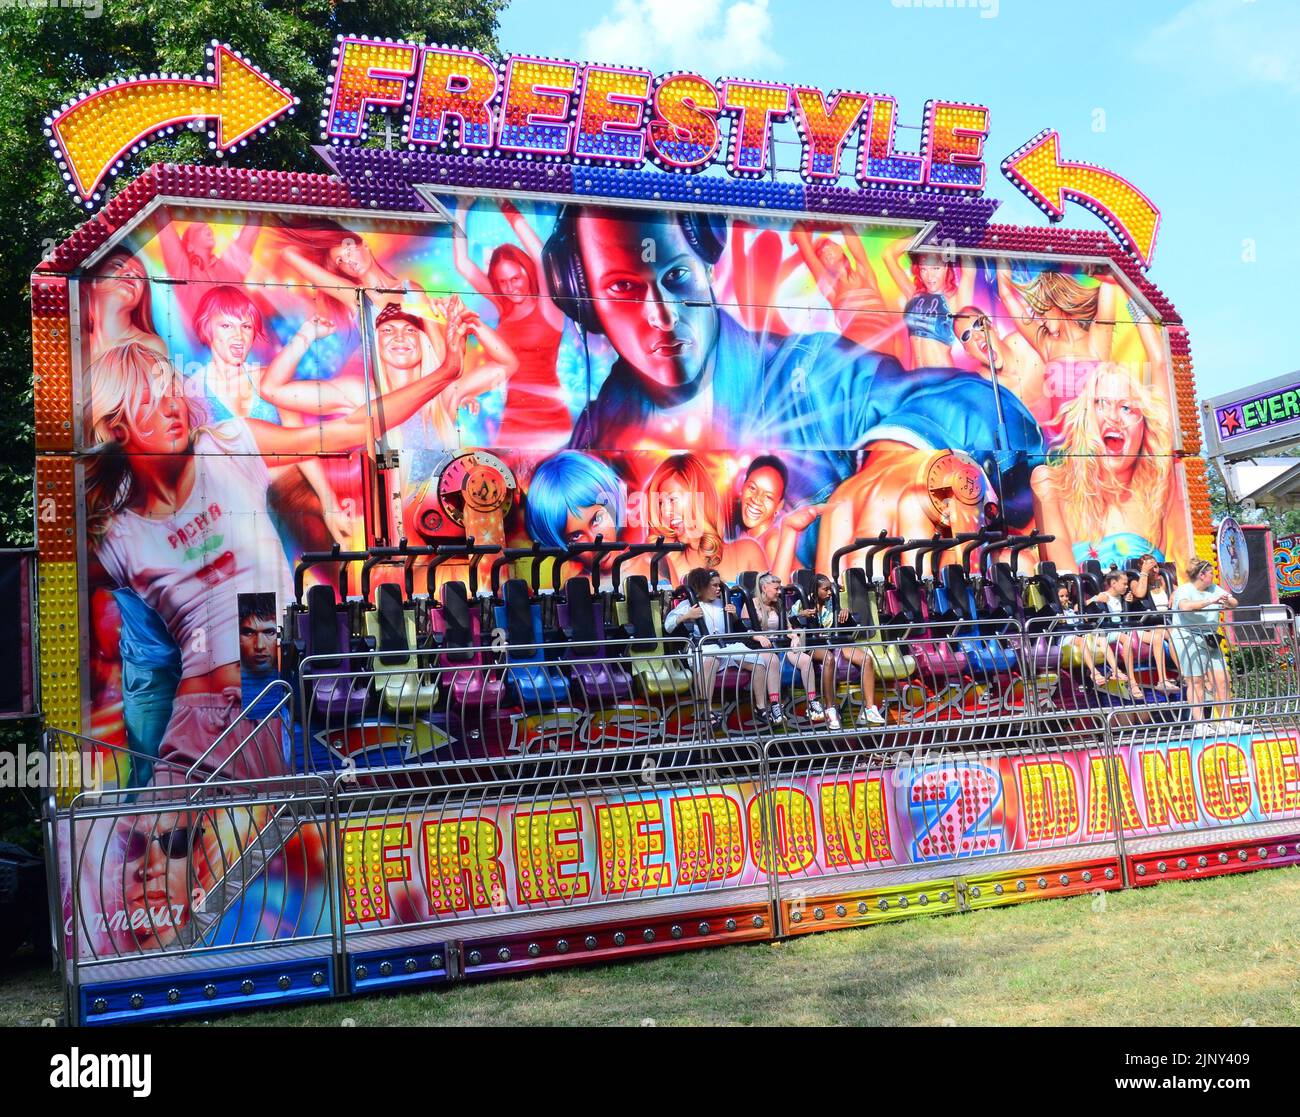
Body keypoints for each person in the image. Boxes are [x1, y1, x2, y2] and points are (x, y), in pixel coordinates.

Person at [83, 318, 470, 787]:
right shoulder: (113, 525)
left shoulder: (228, 443)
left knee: (259, 797)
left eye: (172, 392)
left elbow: (351, 428)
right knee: (161, 804)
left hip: (254, 653)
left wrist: (446, 372)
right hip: (170, 681)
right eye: (148, 399)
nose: (171, 407)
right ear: (117, 425)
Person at [544, 205, 1045, 562]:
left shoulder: (810, 374)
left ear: (704, 262)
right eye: (623, 290)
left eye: (675, 277)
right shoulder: (591, 444)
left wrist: (904, 451)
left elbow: (998, 418)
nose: (663, 315)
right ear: (585, 303)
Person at [1031, 359, 1180, 572]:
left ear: (1145, 425)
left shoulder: (1157, 491)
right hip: (1093, 604)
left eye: (1126, 407)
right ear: (1085, 418)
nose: (1113, 417)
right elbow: (1067, 582)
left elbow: (1160, 364)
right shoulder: (1050, 484)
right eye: (1100, 403)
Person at [454, 197, 571, 447]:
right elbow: (463, 265)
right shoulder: (504, 307)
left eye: (516, 278)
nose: (511, 287)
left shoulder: (548, 306)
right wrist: (461, 210)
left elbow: (542, 256)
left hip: (550, 421)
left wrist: (506, 206)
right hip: (513, 419)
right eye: (503, 282)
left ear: (527, 271)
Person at [663, 567, 782, 729]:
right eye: (714, 585)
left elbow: (739, 627)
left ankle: (760, 707)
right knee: (710, 661)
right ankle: (707, 710)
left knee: (758, 662)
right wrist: (686, 616)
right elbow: (668, 626)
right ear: (702, 587)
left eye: (719, 585)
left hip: (726, 646)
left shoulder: (723, 603)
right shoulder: (688, 605)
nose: (718, 589)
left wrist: (734, 615)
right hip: (703, 648)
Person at [524, 450, 646, 585]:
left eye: (596, 520)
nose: (595, 542)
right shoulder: (577, 588)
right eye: (576, 536)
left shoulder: (651, 564)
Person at [645, 454, 766, 584]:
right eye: (660, 503)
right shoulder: (665, 563)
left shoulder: (748, 551)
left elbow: (772, 599)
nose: (665, 511)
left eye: (672, 499)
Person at [791, 221, 900, 355]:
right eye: (820, 254)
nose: (824, 252)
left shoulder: (865, 276)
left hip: (887, 359)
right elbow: (808, 254)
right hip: (857, 356)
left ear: (841, 248)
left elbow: (846, 227)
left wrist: (827, 223)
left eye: (827, 246)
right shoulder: (833, 290)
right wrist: (801, 228)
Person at [796, 574, 884, 730]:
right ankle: (830, 708)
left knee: (867, 659)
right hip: (811, 644)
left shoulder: (833, 603)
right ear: (816, 590)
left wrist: (845, 612)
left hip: (835, 642)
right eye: (826, 589)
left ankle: (869, 709)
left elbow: (841, 621)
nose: (830, 593)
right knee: (829, 659)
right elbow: (790, 622)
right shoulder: (802, 603)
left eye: (830, 589)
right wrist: (800, 616)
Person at [880, 240, 975, 369]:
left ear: (946, 267)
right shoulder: (913, 294)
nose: (930, 276)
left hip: (942, 376)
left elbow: (969, 272)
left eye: (936, 268)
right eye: (924, 269)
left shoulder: (954, 301)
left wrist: (953, 236)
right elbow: (888, 254)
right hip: (915, 377)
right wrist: (924, 236)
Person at [730, 455, 825, 579]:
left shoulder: (772, 541)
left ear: (778, 506)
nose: (757, 499)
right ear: (742, 487)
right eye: (752, 488)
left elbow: (782, 593)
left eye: (768, 497)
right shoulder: (744, 538)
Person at [951, 305, 1049, 422]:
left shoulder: (1029, 344)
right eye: (966, 336)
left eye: (978, 324)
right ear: (968, 352)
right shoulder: (984, 388)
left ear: (995, 329)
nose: (976, 336)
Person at [1171, 558, 1238, 722]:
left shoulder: (1214, 588)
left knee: (1223, 680)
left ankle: (1225, 721)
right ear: (1202, 575)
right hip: (1188, 637)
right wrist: (1210, 601)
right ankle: (1199, 722)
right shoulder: (1185, 590)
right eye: (1211, 573)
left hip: (1210, 639)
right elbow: (1185, 607)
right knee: (1196, 681)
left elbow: (1234, 603)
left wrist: (1227, 600)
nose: (1214, 576)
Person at [751, 571, 820, 722]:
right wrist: (758, 636)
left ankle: (812, 702)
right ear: (764, 588)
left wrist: (794, 636)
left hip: (781, 645)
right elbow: (746, 630)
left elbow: (788, 628)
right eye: (776, 588)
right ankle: (775, 704)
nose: (779, 591)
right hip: (762, 648)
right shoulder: (752, 605)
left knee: (806, 660)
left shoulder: (780, 605)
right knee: (773, 661)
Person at [83, 250, 168, 364]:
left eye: (139, 276)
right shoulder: (75, 341)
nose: (131, 274)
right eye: (118, 265)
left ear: (142, 297)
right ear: (92, 280)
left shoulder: (149, 346)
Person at [1126, 554, 1181, 694]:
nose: (1155, 570)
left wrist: (1176, 593)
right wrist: (1144, 573)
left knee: (1176, 633)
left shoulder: (1163, 580)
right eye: (1151, 567)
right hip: (1145, 626)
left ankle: (1185, 673)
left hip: (1165, 623)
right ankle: (1164, 680)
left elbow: (1180, 590)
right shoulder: (1134, 581)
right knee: (1165, 632)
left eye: (1155, 566)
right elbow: (1139, 593)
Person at [1086, 570, 1143, 699]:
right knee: (1121, 637)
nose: (1127, 586)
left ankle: (1133, 682)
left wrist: (1130, 602)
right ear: (1113, 583)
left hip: (1117, 631)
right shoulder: (1103, 595)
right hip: (1104, 632)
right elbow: (1079, 608)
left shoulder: (1125, 597)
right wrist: (1095, 599)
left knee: (1127, 639)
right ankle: (1116, 671)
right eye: (1124, 583)